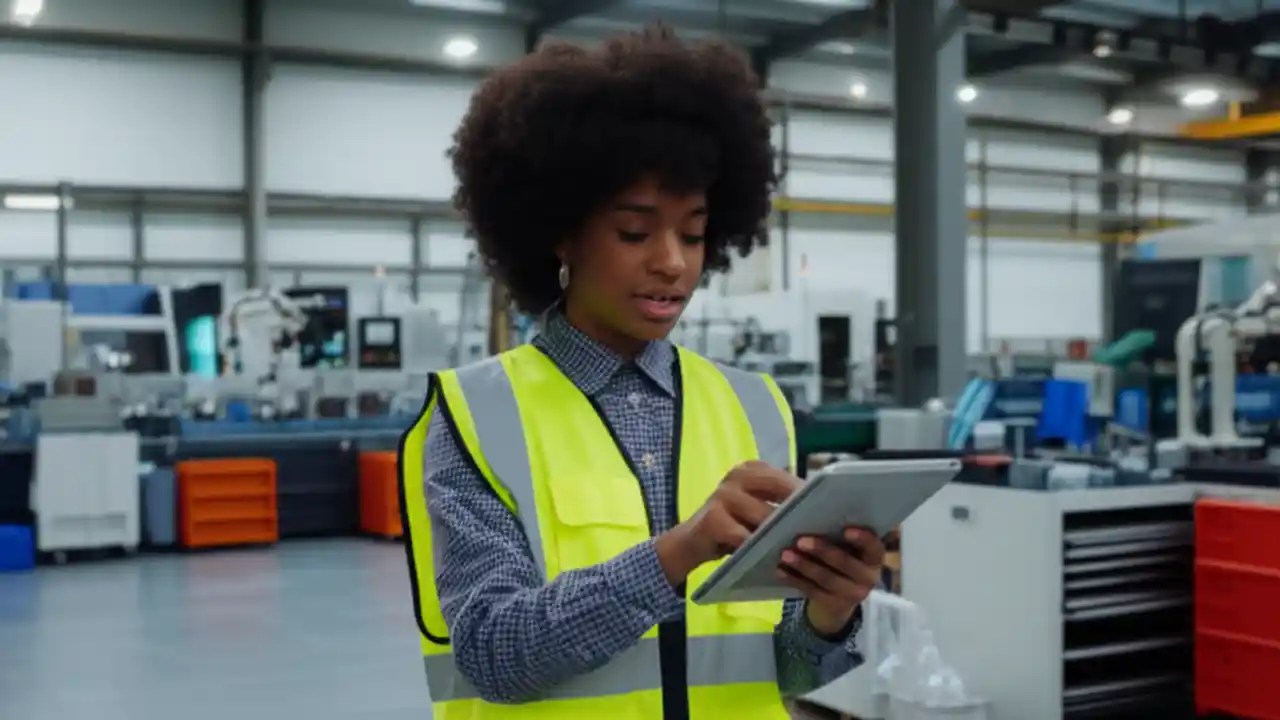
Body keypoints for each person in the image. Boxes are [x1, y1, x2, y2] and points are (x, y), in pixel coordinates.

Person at [398, 25, 885, 720]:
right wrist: (678, 553)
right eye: (634, 232)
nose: (673, 263)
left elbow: (788, 671)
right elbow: (494, 656)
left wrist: (832, 614)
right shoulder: (476, 416)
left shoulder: (756, 408)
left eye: (693, 234)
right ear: (561, 234)